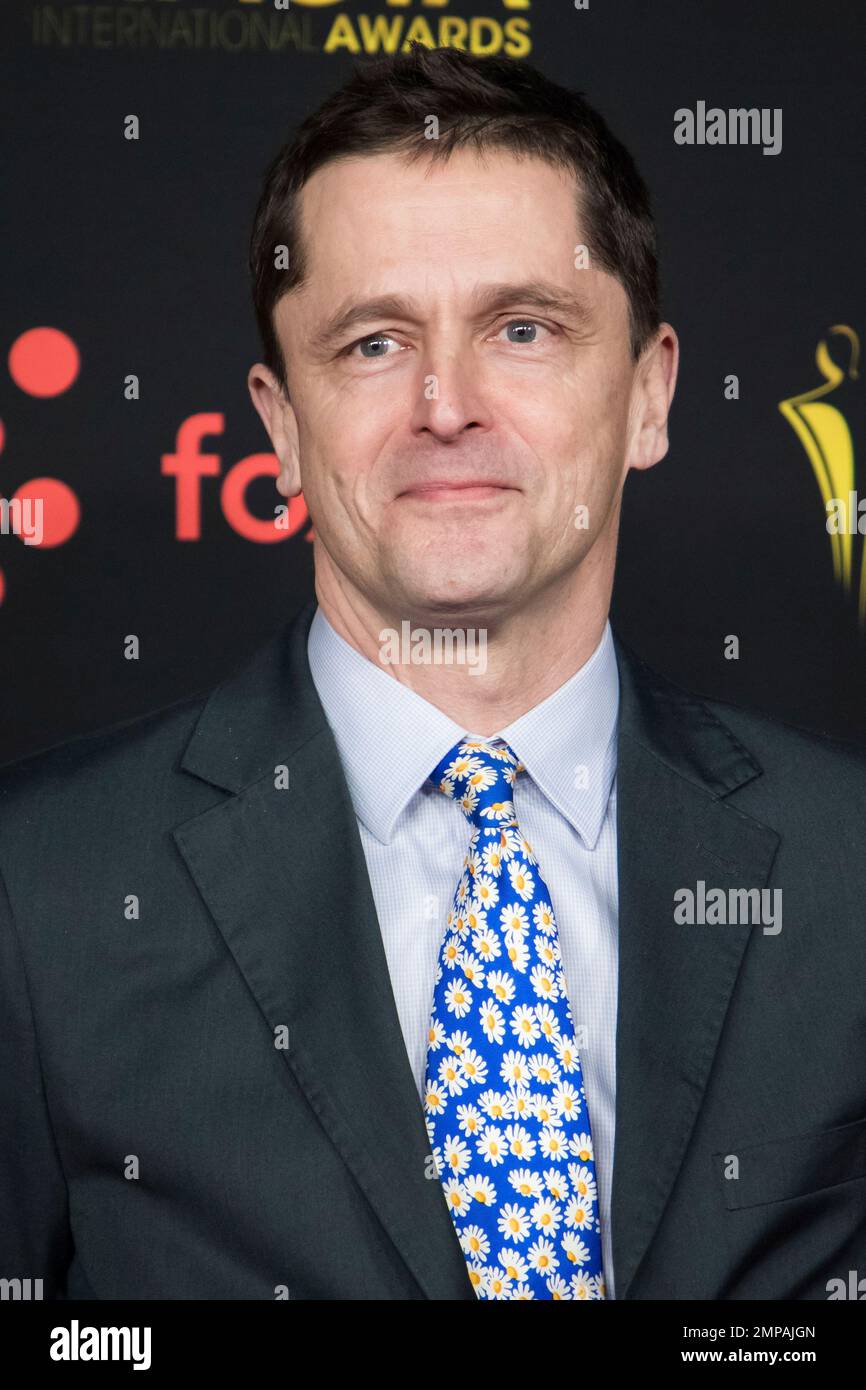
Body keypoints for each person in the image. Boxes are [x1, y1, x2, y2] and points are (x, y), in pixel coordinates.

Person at [2, 43, 865, 1303]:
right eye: (369, 343)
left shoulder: (844, 868)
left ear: (648, 394)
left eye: (522, 328)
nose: (444, 403)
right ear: (281, 427)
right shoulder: (38, 895)